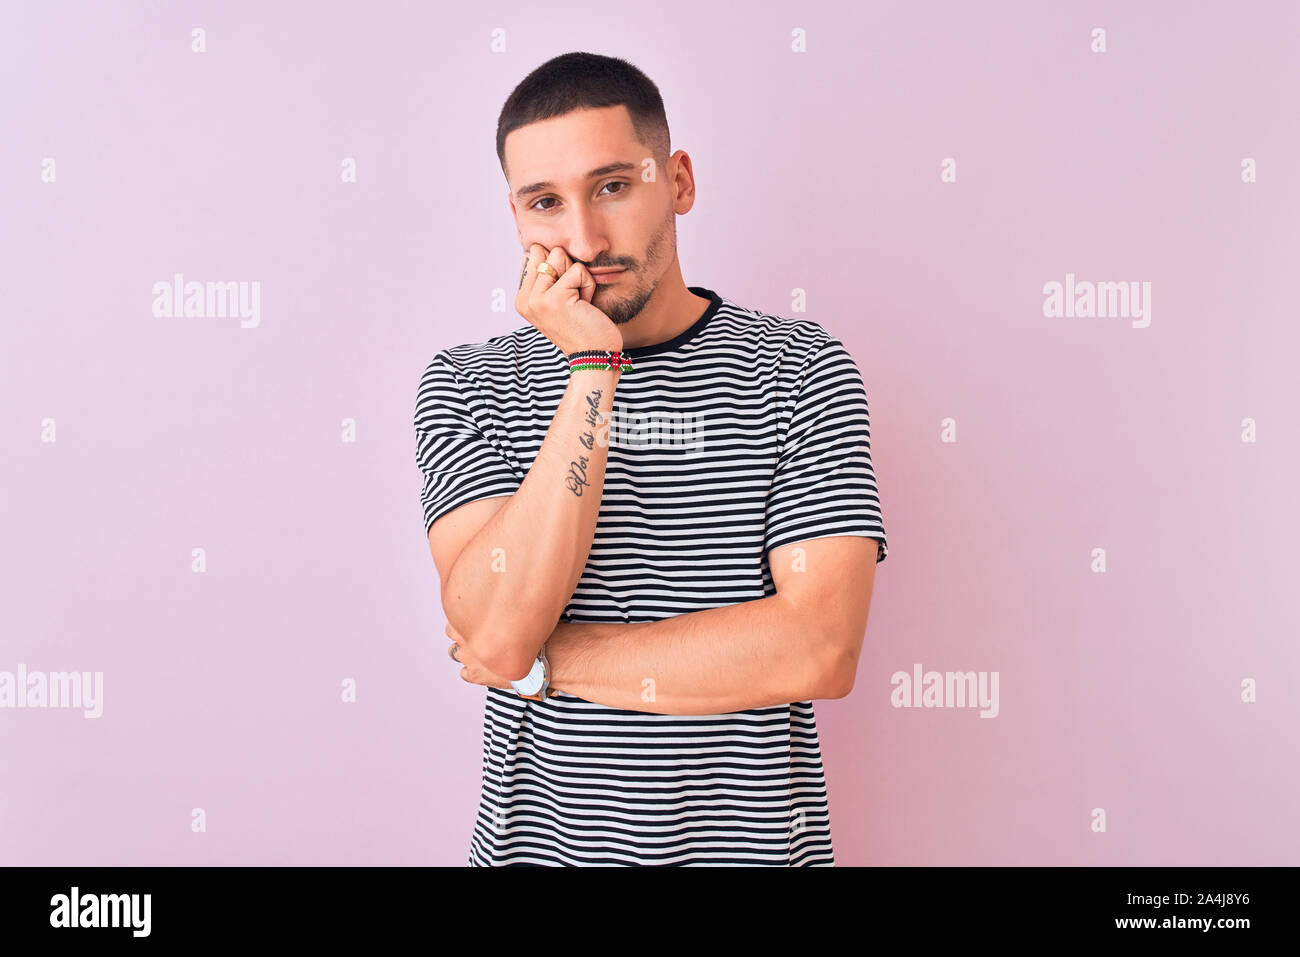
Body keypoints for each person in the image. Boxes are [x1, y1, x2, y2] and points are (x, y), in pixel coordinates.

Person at [414, 51, 888, 866]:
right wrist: (592, 369)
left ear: (678, 182)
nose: (585, 238)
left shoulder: (799, 367)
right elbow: (494, 625)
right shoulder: (470, 383)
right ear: (517, 219)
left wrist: (540, 661)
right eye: (546, 203)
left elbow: (819, 647)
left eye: (612, 186)